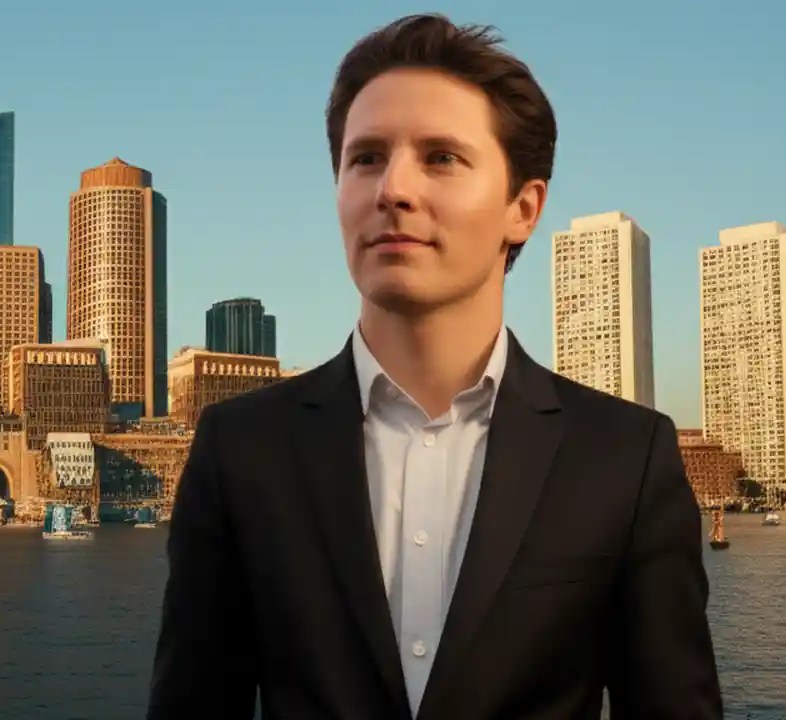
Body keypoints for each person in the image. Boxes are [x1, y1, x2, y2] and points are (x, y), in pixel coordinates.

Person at [147, 13, 722, 720]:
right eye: (366, 158)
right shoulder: (240, 448)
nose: (393, 188)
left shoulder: (625, 457)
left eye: (441, 157)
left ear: (523, 207)